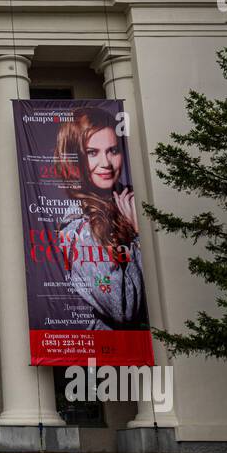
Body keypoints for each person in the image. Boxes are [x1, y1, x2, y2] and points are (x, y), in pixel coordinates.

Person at [54, 106, 146, 329]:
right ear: (75, 159)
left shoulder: (132, 202)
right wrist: (139, 238)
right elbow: (122, 309)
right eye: (92, 152)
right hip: (111, 358)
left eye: (113, 150)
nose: (106, 163)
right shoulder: (79, 226)